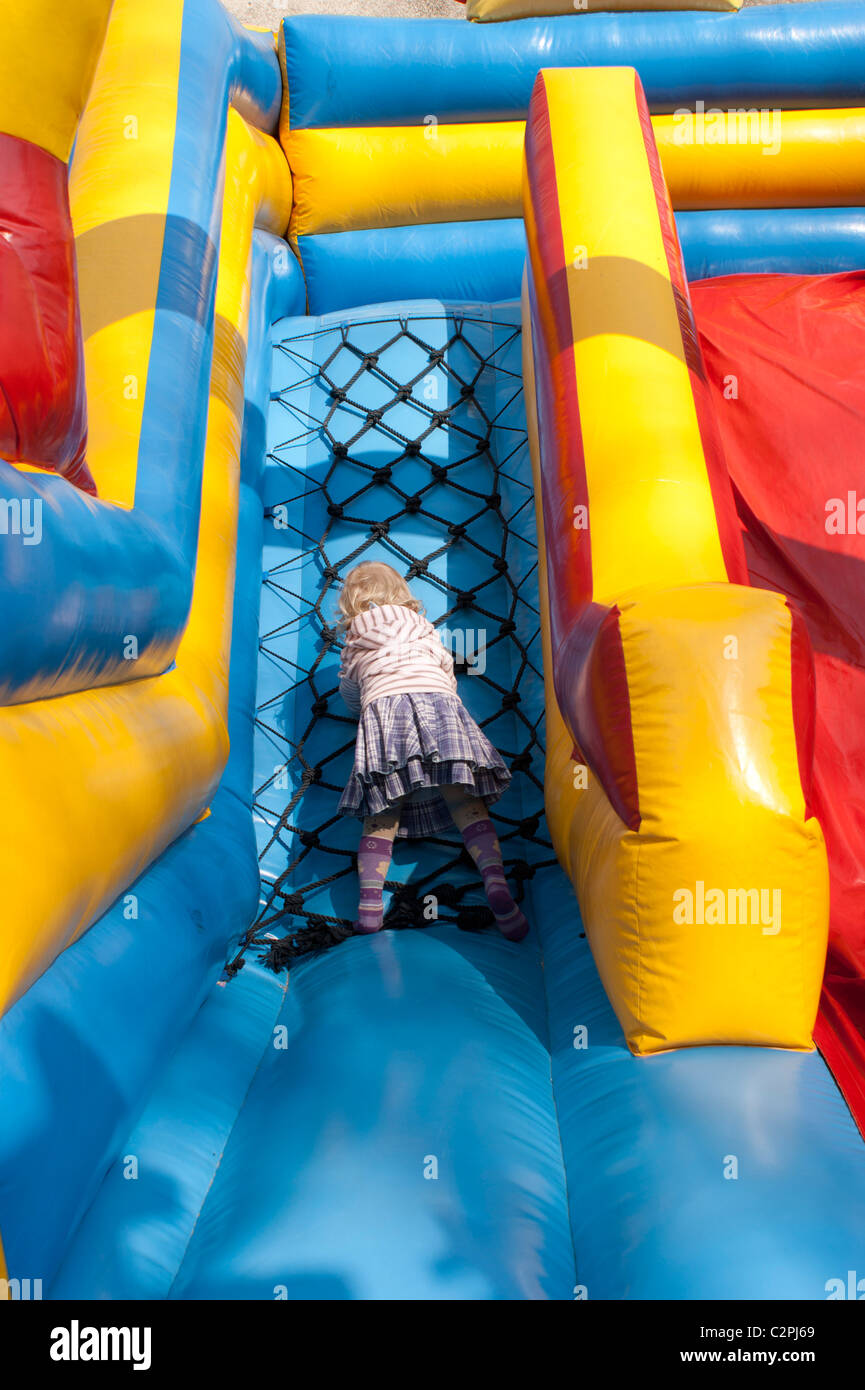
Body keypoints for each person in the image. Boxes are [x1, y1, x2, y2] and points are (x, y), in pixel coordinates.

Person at [336, 560, 529, 941]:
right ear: (402, 596)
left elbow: (351, 689)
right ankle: (495, 882)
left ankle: (370, 906)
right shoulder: (422, 627)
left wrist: (358, 708)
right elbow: (445, 668)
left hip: (385, 711)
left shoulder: (355, 638)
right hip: (438, 705)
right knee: (465, 802)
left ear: (351, 605)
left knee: (382, 813)